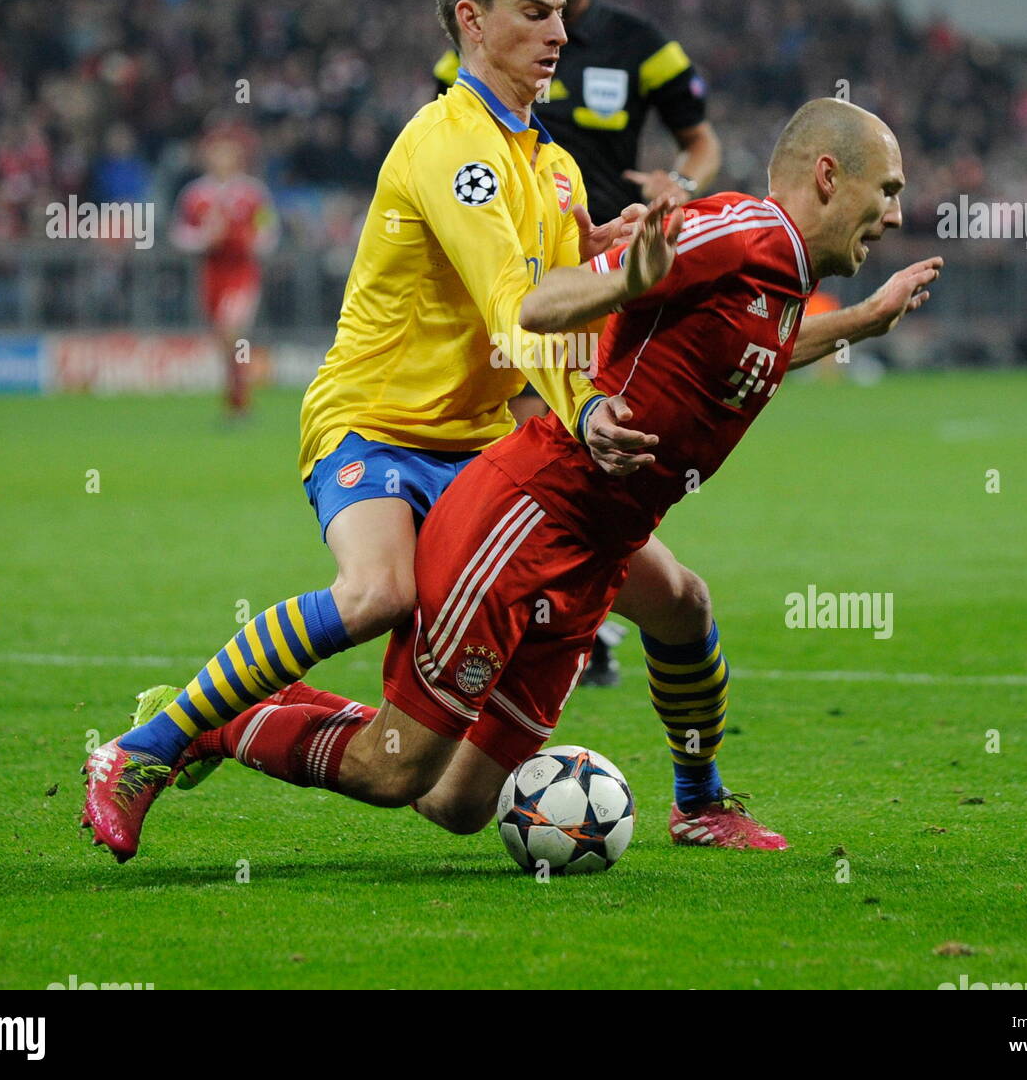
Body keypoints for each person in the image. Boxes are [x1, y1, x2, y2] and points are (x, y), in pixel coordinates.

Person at [107, 100, 942, 855]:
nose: (897, 214)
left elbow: (747, 359)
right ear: (828, 176)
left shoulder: (783, 271)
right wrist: (623, 279)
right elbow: (542, 309)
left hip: (601, 546)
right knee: (392, 772)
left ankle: (699, 804)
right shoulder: (738, 232)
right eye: (889, 189)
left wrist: (862, 325)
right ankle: (210, 726)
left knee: (459, 802)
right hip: (531, 516)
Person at [438, 0, 720, 687]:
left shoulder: (643, 45)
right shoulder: (479, 54)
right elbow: (456, 162)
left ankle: (574, 602)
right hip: (526, 281)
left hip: (614, 275)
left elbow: (701, 141)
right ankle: (568, 610)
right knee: (555, 432)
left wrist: (678, 184)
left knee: (597, 440)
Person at [171, 121, 277, 418]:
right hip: (211, 274)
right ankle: (235, 399)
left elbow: (268, 233)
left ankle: (240, 400)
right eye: (216, 152)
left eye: (227, 152)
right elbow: (180, 235)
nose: (221, 157)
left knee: (233, 331)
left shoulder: (253, 193)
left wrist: (242, 237)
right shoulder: (195, 194)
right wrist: (205, 238)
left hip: (241, 273)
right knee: (222, 340)